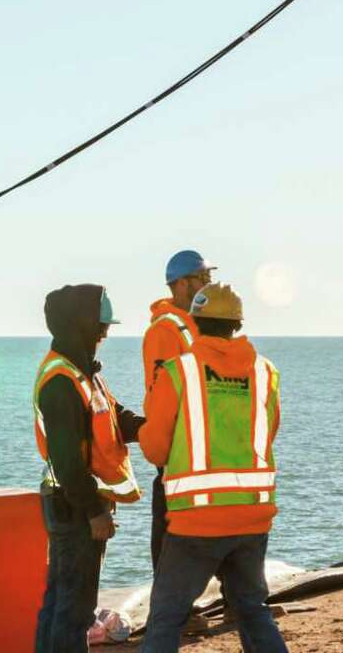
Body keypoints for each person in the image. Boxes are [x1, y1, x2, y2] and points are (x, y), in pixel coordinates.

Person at [138, 282, 289, 653]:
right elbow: (269, 431)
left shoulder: (179, 371)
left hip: (197, 520)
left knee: (166, 616)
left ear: (195, 321)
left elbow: (155, 449)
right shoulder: (264, 372)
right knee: (252, 609)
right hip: (252, 516)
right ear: (237, 323)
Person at [34, 284, 142, 653]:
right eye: (100, 325)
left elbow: (114, 417)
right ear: (80, 325)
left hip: (70, 503)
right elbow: (67, 461)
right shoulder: (61, 381)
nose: (106, 333)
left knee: (59, 602)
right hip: (74, 506)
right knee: (75, 610)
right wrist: (94, 511)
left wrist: (153, 427)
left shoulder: (82, 373)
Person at [143, 249, 216, 569]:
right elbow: (163, 395)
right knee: (172, 530)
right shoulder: (166, 329)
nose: (210, 284)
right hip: (179, 451)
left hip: (201, 449)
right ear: (183, 283)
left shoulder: (195, 325)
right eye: (204, 278)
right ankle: (173, 613)